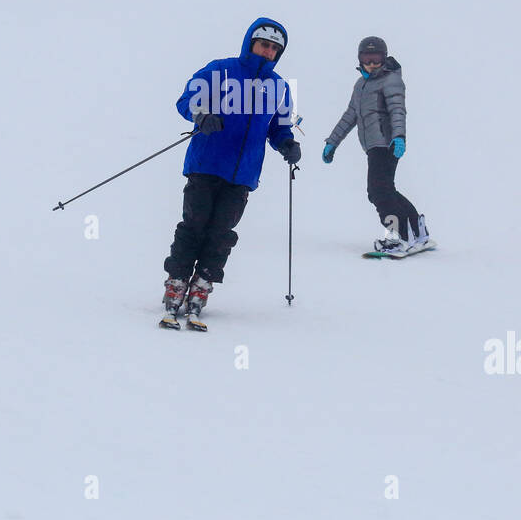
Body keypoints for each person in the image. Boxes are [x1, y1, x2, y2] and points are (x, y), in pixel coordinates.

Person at [160, 18, 299, 330]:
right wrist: (202, 115)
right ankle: (177, 282)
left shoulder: (279, 87)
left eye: (275, 49)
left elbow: (279, 127)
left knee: (222, 233)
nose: (268, 52)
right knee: (194, 225)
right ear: (250, 42)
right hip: (206, 164)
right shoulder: (220, 70)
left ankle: (202, 286)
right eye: (264, 44)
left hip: (243, 175)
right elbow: (186, 101)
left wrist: (287, 144)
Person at [323, 36, 432, 255]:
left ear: (384, 58)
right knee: (383, 189)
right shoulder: (360, 85)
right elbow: (350, 115)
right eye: (367, 58)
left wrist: (399, 136)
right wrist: (332, 142)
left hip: (387, 144)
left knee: (378, 191)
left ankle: (396, 236)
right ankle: (416, 231)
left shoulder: (390, 80)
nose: (372, 64)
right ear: (360, 59)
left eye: (377, 58)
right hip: (373, 146)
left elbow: (397, 110)